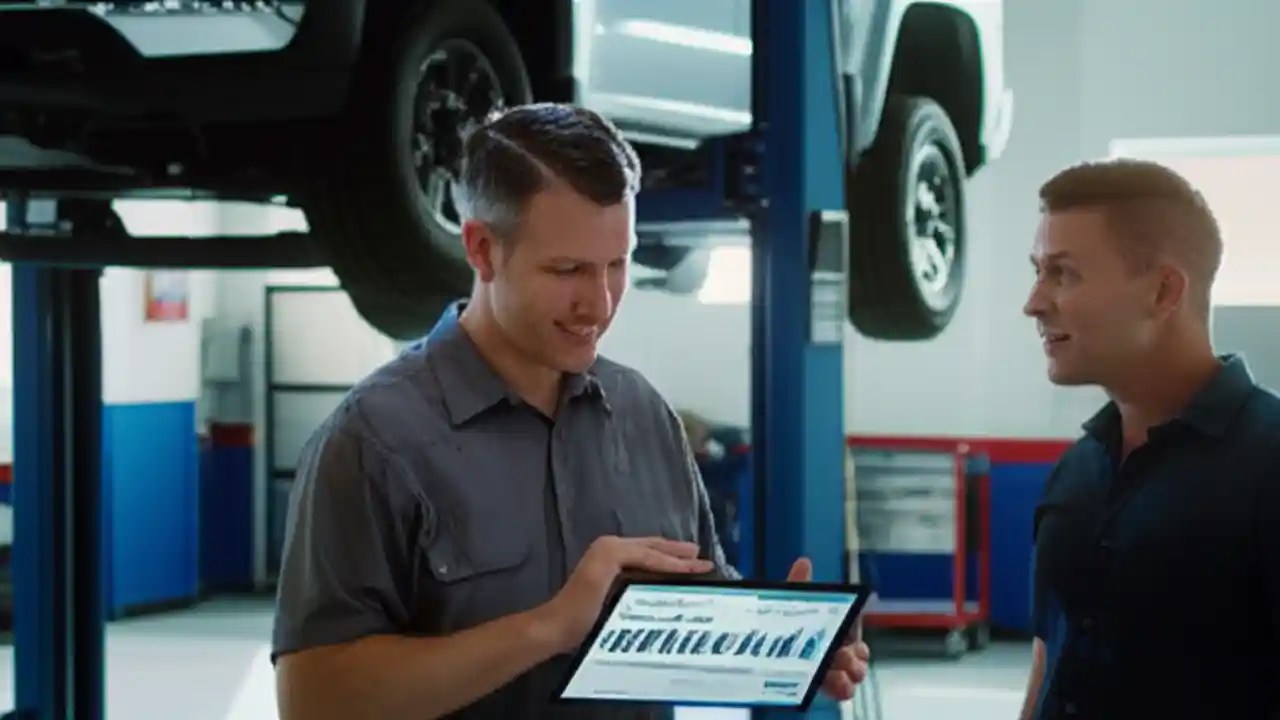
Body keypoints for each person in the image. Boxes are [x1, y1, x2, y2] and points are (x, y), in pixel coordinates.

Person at [271, 102, 871, 719]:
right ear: (482, 248)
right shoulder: (374, 442)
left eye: (618, 265)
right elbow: (314, 701)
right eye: (568, 270)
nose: (601, 302)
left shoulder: (642, 415)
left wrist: (782, 646)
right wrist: (551, 626)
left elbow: (690, 613)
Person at [1019, 158, 1280, 720]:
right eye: (1037, 271)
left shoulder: (1269, 463)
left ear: (1164, 292)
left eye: (1062, 273)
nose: (1034, 302)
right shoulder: (1079, 469)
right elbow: (1051, 654)